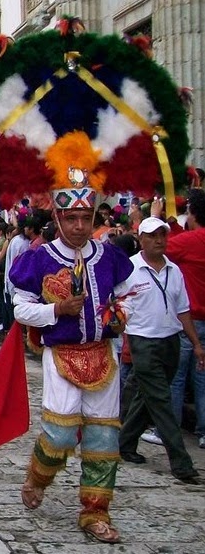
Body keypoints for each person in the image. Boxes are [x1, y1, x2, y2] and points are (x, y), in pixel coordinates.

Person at [10, 169, 133, 544]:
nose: (79, 226)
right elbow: (20, 308)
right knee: (61, 432)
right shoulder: (39, 259)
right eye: (72, 218)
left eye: (86, 218)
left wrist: (120, 316)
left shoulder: (109, 256)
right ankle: (38, 477)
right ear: (58, 217)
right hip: (61, 355)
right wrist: (57, 310)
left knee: (103, 436)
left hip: (103, 355)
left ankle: (95, 511)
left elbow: (129, 295)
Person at [118, 217, 203, 483]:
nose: (159, 241)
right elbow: (119, 306)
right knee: (161, 401)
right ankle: (181, 463)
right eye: (152, 236)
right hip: (143, 341)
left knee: (147, 395)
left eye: (162, 235)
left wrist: (197, 345)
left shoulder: (174, 270)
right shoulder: (130, 269)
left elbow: (183, 310)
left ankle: (124, 442)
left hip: (170, 341)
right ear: (141, 239)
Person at [150, 191, 205, 450]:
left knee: (176, 376)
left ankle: (167, 430)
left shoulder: (189, 241)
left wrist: (156, 219)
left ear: (193, 214)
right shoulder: (190, 239)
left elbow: (157, 249)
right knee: (202, 379)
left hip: (189, 319)